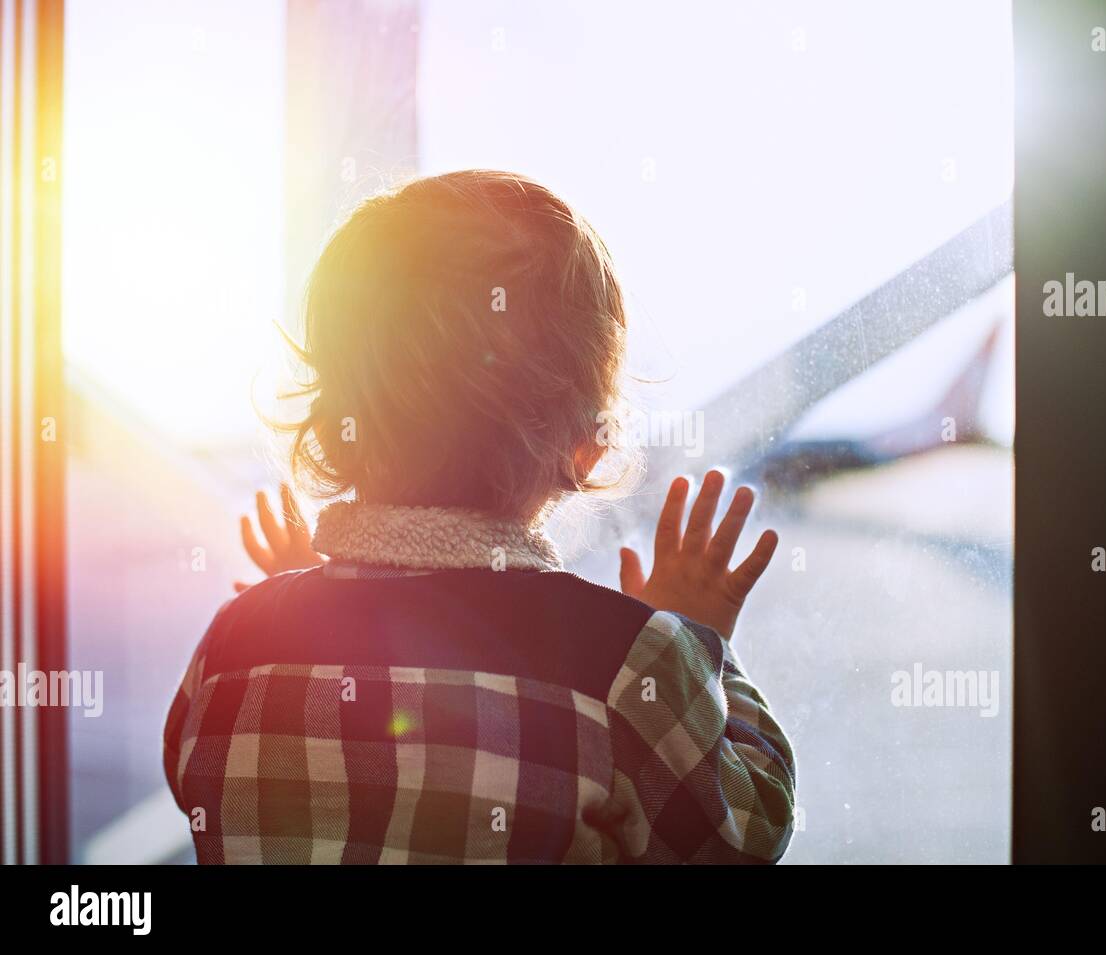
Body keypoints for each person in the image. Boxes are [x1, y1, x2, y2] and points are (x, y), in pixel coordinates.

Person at [163, 170, 795, 864]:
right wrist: (699, 644)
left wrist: (301, 604)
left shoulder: (231, 646)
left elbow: (206, 780)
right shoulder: (623, 663)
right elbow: (744, 831)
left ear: (330, 422)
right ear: (588, 445)